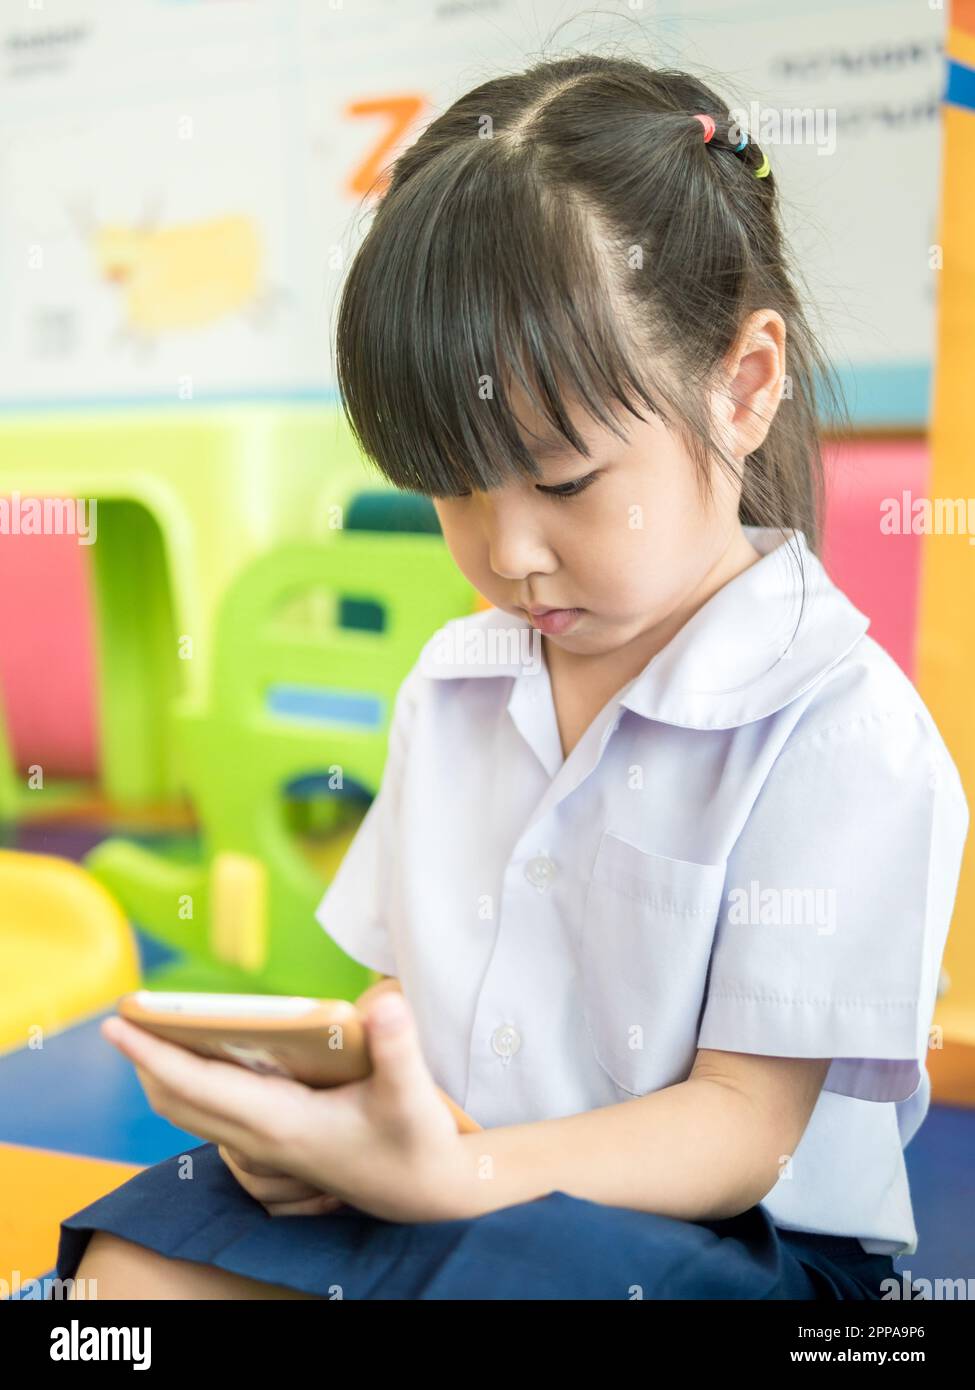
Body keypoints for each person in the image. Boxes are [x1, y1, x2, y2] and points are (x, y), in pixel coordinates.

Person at [56, 53, 968, 1301]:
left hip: (735, 1239)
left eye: (564, 481)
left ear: (744, 385)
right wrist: (334, 1123)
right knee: (128, 1271)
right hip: (467, 1180)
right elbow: (404, 995)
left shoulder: (843, 728)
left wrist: (451, 1179)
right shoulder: (457, 680)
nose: (509, 552)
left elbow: (745, 1124)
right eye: (455, 489)